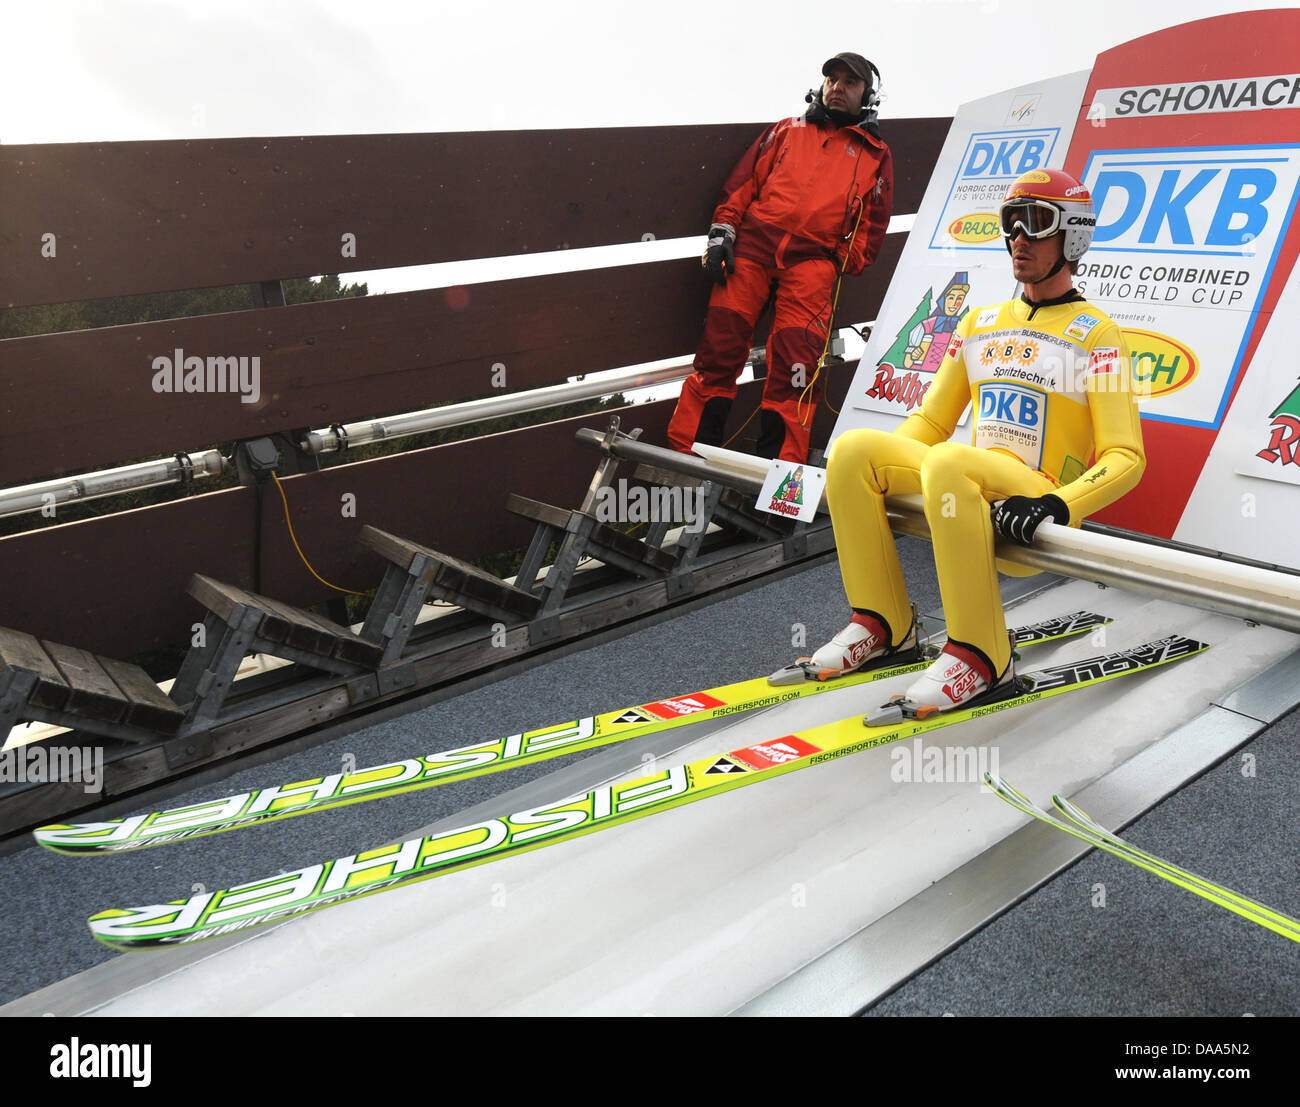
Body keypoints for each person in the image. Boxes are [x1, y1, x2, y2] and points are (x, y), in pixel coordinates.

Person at [800, 168, 1145, 713]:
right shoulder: (979, 324)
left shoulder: (1098, 334)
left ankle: (983, 656)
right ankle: (883, 624)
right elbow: (930, 427)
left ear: (1073, 235)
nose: (1019, 239)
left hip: (1033, 501)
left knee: (951, 462)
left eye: (1037, 223)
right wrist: (872, 474)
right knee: (852, 449)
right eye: (1011, 224)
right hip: (966, 483)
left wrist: (1057, 503)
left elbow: (1127, 456)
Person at [666, 52, 894, 464]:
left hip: (811, 263)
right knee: (719, 352)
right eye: (832, 79)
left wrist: (839, 260)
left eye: (850, 82)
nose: (838, 87)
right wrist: (723, 233)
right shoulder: (787, 130)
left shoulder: (875, 154)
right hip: (752, 250)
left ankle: (781, 479)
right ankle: (688, 459)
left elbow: (873, 225)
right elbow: (743, 184)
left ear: (868, 95)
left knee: (797, 369)